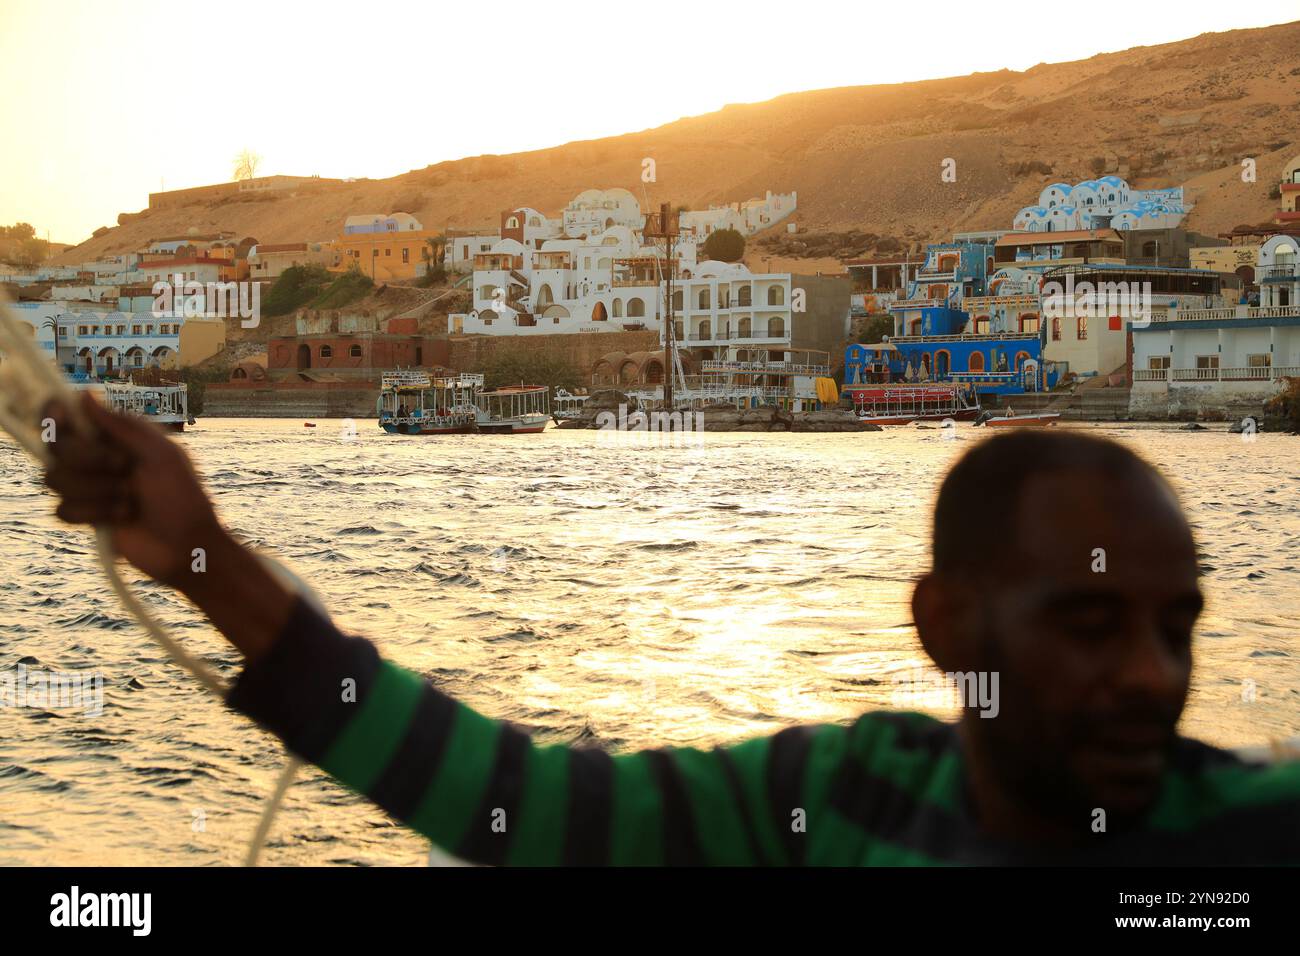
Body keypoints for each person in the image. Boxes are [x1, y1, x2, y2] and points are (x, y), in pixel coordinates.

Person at [39, 395, 1300, 865]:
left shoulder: (1247, 832)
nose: (1152, 676)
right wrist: (204, 559)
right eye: (1088, 622)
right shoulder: (838, 792)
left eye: (1176, 626)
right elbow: (519, 808)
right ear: (945, 624)